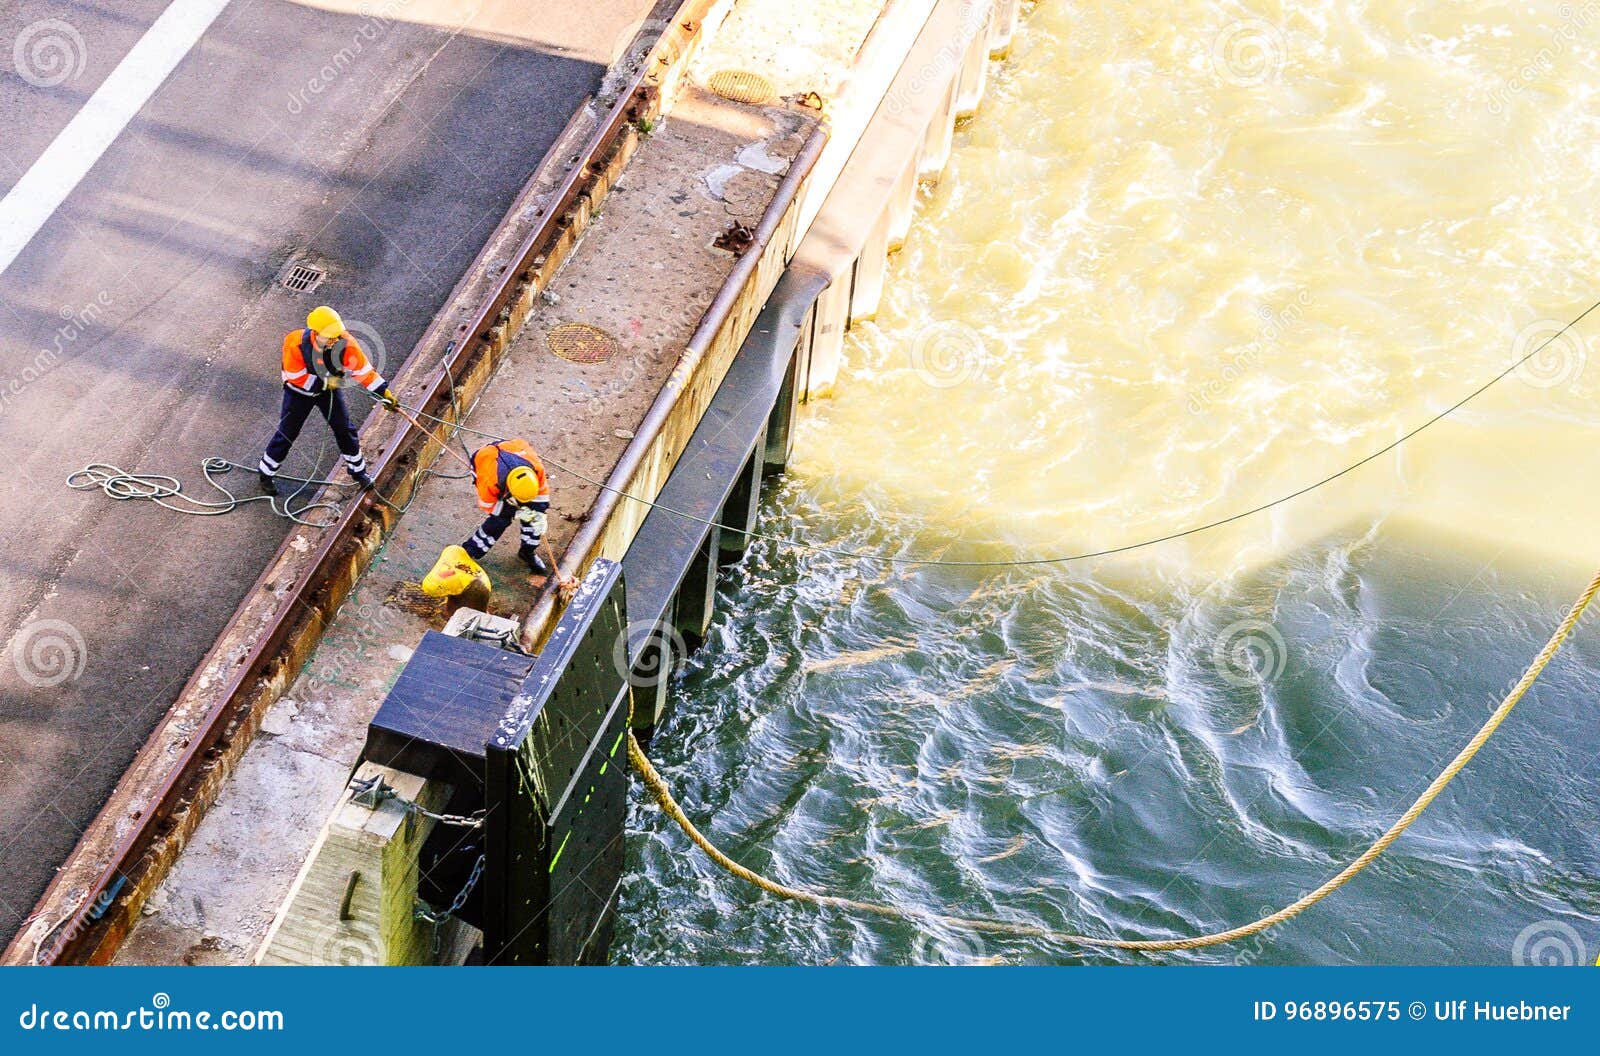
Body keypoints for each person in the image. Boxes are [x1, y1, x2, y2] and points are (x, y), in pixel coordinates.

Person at [258, 306, 397, 495]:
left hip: (328, 391)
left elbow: (363, 371)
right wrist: (325, 382)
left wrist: (383, 393)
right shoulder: (295, 342)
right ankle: (266, 473)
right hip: (298, 393)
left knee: (344, 429)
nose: (335, 339)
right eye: (330, 335)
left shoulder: (345, 342)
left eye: (337, 334)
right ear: (316, 333)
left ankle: (358, 472)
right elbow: (294, 375)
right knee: (287, 433)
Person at [463, 437, 573, 589]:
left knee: (535, 518)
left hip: (510, 453)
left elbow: (541, 495)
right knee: (499, 521)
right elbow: (488, 506)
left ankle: (527, 551)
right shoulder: (489, 480)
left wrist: (539, 513)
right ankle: (471, 551)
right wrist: (516, 512)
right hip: (485, 459)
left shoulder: (536, 469)